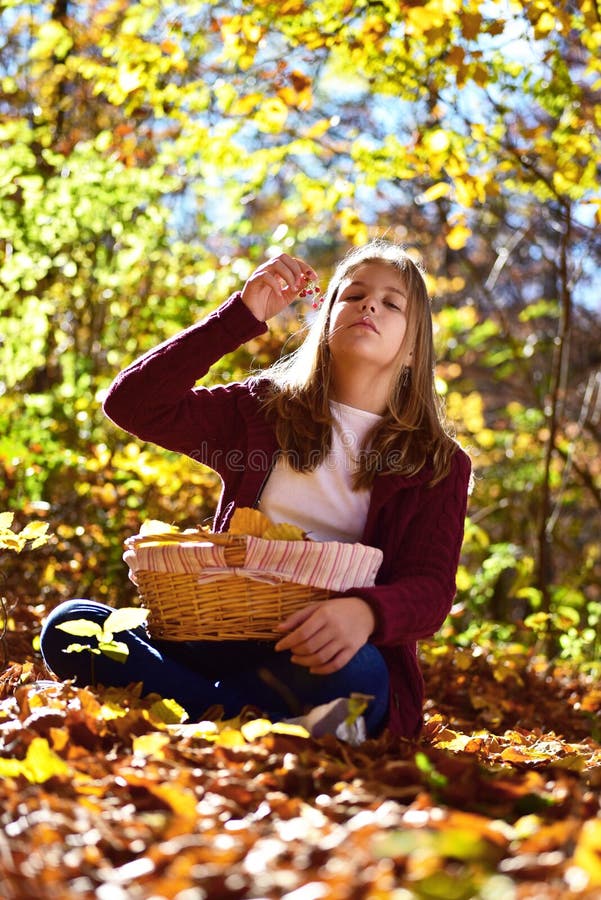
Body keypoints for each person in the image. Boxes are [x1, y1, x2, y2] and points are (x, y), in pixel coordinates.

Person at [40, 239, 471, 739]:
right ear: (326, 320)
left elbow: (431, 590)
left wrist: (365, 614)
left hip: (318, 657)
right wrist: (240, 315)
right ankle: (261, 722)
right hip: (212, 637)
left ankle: (204, 710)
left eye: (391, 303)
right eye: (351, 295)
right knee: (72, 628)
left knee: (365, 677)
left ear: (415, 345)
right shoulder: (261, 410)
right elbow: (133, 404)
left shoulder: (437, 463)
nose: (368, 305)